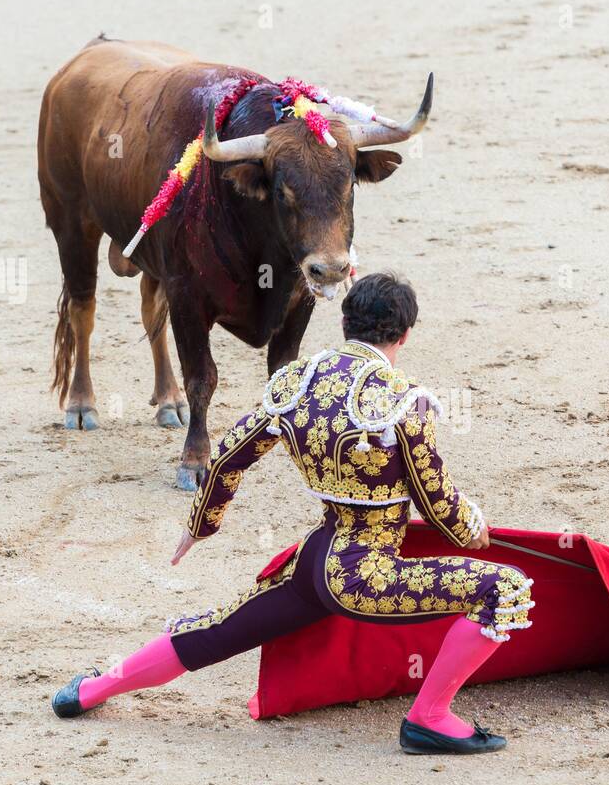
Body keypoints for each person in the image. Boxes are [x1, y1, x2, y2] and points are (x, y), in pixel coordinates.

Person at [51, 272, 534, 754]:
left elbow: (225, 458)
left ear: (344, 321)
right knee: (505, 589)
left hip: (312, 564)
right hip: (366, 574)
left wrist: (201, 524)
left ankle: (91, 691)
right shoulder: (400, 400)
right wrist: (472, 526)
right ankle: (428, 718)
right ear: (406, 333)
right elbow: (435, 503)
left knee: (215, 630)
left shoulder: (298, 380)